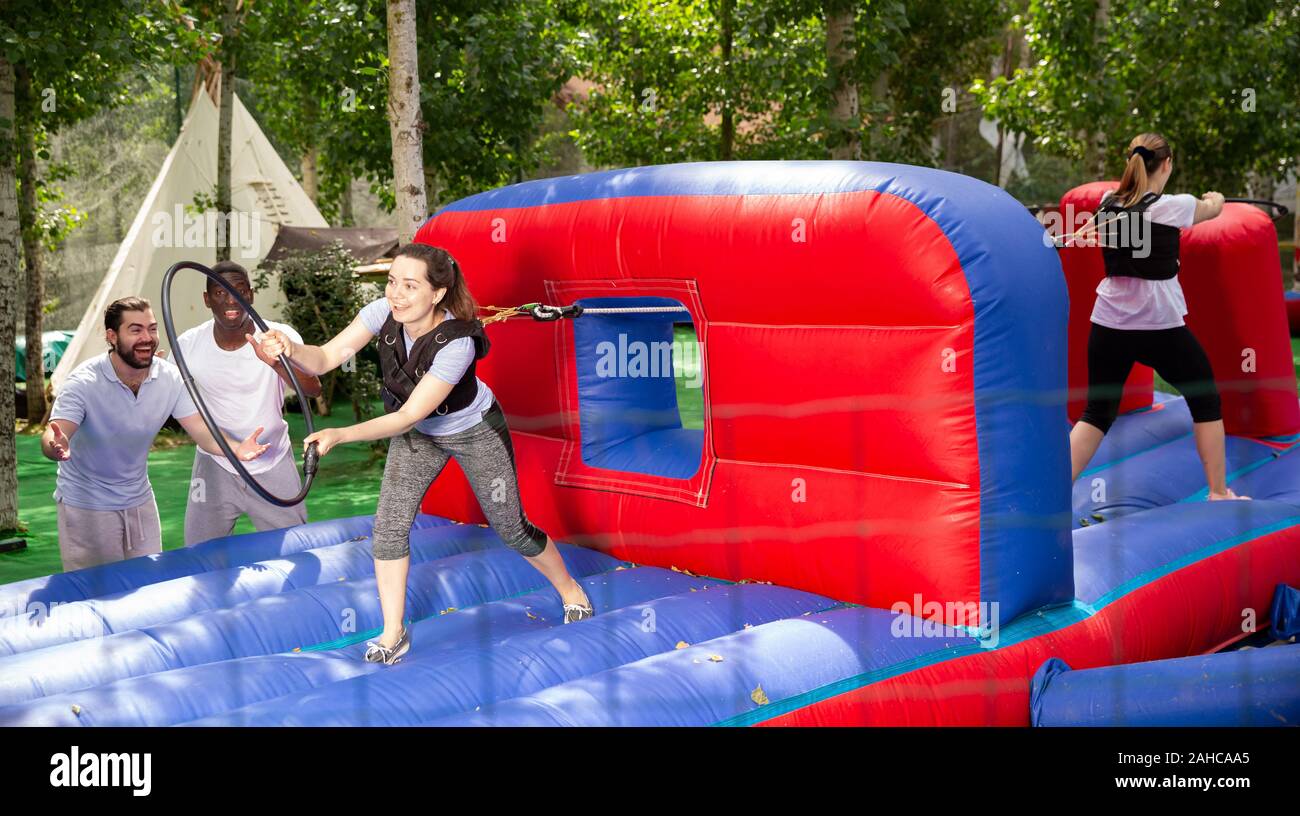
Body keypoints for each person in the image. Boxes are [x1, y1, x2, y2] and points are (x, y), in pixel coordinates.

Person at [254, 243, 594, 665]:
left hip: (472, 431)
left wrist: (340, 434)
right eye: (392, 281)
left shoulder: (457, 343)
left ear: (436, 294)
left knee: (511, 528)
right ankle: (393, 633)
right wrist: (290, 348)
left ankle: (570, 590)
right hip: (420, 435)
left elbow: (408, 415)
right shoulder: (383, 314)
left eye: (410, 286)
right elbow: (324, 358)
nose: (396, 294)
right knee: (389, 527)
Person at [1069, 132, 1249, 500]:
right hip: (1158, 326)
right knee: (1205, 398)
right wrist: (1216, 199)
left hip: (1108, 324)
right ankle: (1218, 492)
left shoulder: (1107, 202)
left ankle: (1053, 490)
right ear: (1166, 165)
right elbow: (1210, 209)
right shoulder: (1173, 205)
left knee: (1097, 413)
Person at [41, 296, 270, 571]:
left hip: (139, 500)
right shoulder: (84, 382)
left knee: (148, 584)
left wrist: (235, 448)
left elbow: (200, 428)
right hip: (88, 504)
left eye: (152, 328)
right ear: (112, 336)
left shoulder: (169, 377)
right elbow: (57, 432)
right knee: (96, 593)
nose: (147, 337)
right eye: (135, 330)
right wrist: (55, 444)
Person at [174, 261, 322, 545]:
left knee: (293, 547)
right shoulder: (189, 345)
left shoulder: (279, 336)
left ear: (250, 295)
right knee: (199, 554)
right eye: (220, 293)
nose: (231, 300)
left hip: (273, 460)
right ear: (207, 299)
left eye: (239, 290)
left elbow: (313, 389)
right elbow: (167, 398)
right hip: (215, 465)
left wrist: (278, 364)